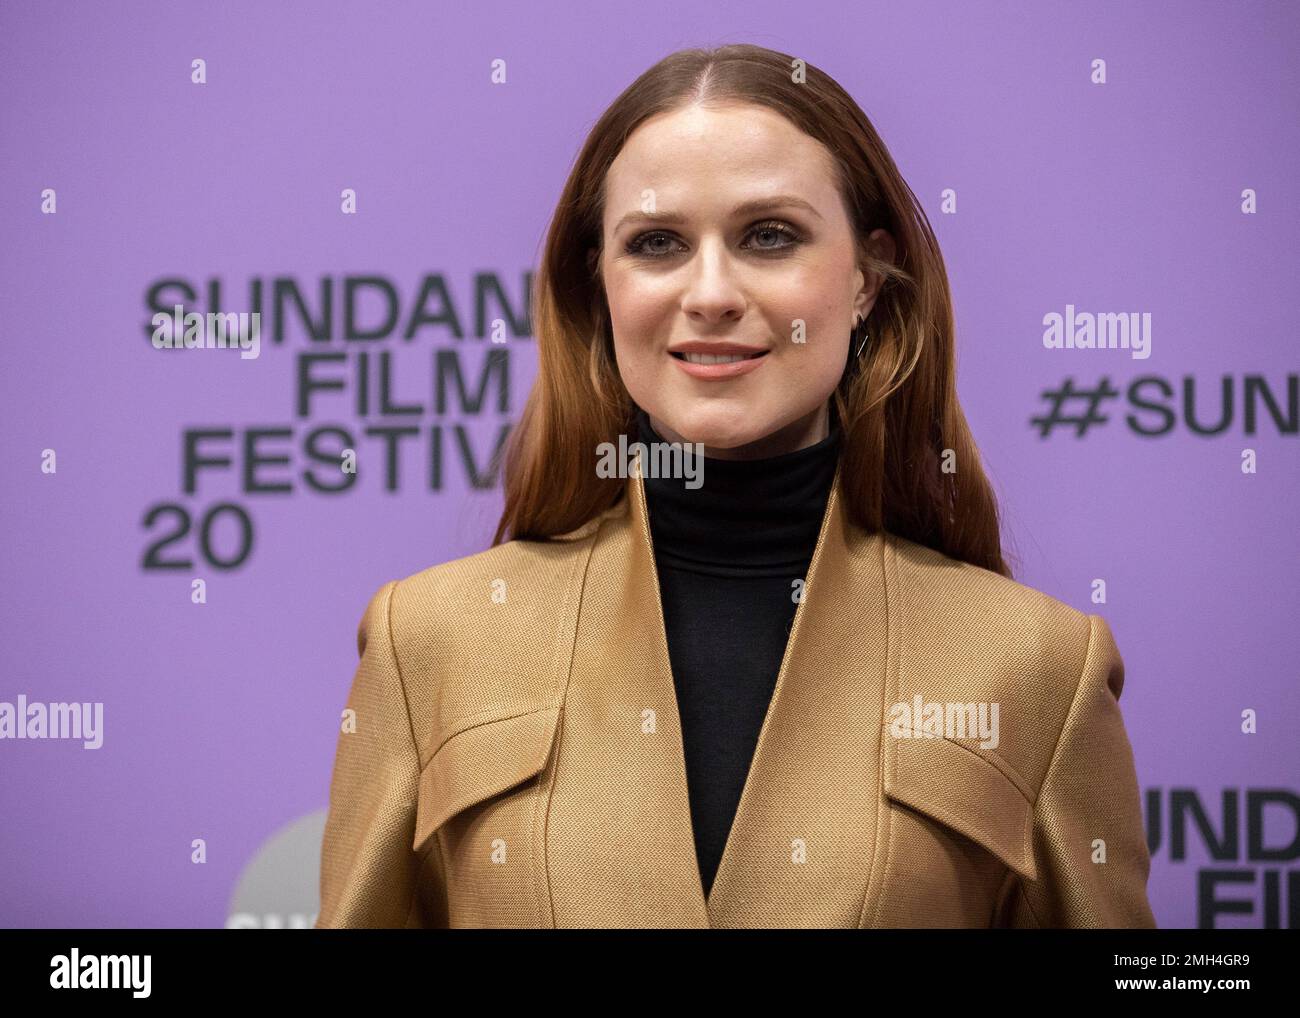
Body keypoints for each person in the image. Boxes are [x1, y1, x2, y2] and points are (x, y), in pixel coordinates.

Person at [315, 43, 1156, 929]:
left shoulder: (1038, 669)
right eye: (656, 244)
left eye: (769, 236)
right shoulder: (430, 643)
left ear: (868, 278)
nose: (711, 292)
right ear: (597, 284)